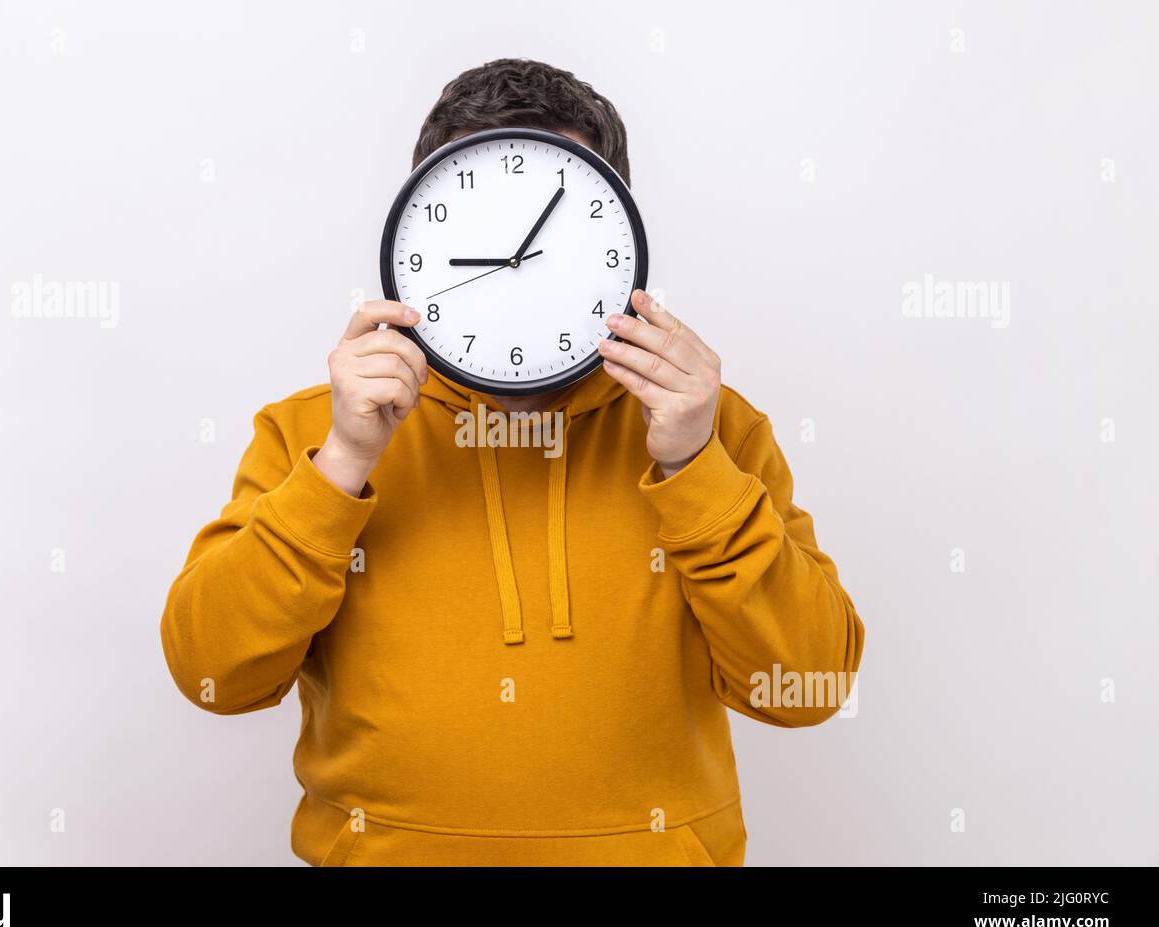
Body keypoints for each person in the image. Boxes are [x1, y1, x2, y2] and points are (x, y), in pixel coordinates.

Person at [161, 58, 865, 866]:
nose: (516, 275)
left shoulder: (707, 427)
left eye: (549, 240)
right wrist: (344, 464)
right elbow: (214, 675)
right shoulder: (316, 434)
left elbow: (812, 686)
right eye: (476, 240)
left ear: (618, 242)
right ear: (417, 241)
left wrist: (695, 465)